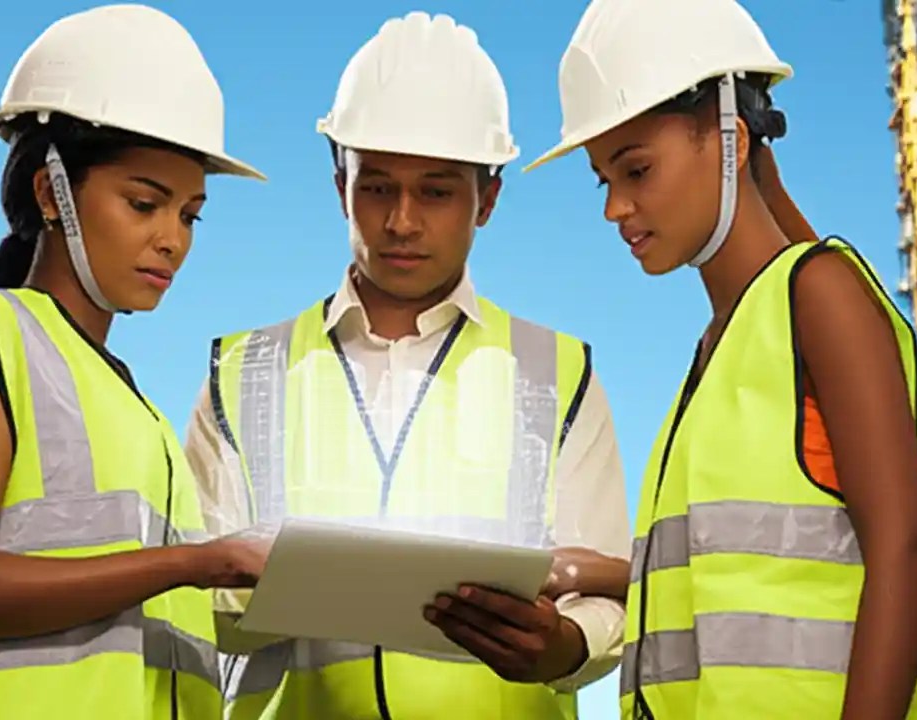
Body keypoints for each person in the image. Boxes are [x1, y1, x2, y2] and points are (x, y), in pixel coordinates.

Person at [524, 0, 917, 718]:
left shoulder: (821, 296)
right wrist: (619, 576)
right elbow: (753, 575)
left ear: (731, 142)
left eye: (637, 170)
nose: (614, 208)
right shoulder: (726, 344)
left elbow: (906, 549)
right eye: (603, 179)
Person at [183, 11, 631, 720]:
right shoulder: (242, 373)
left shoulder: (558, 371)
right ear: (340, 186)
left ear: (487, 199)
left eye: (436, 191)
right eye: (377, 186)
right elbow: (191, 593)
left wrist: (567, 647)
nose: (401, 221)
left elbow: (601, 593)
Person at [0, 6, 271, 719]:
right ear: (52, 193)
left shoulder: (127, 402)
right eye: (145, 203)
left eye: (190, 214)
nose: (172, 240)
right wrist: (197, 563)